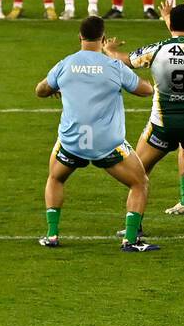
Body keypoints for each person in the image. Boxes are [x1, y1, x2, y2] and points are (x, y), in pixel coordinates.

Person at [104, 3, 184, 238]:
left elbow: (124, 60)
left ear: (170, 25)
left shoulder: (157, 49)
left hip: (160, 127)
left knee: (138, 175)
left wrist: (110, 49)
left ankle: (135, 228)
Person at [35, 16, 157, 251]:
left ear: (79, 37)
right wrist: (114, 60)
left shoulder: (66, 64)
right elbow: (146, 90)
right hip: (106, 143)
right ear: (103, 38)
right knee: (140, 183)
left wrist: (56, 87)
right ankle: (130, 240)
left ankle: (51, 235)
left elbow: (40, 90)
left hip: (73, 141)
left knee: (55, 178)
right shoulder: (113, 66)